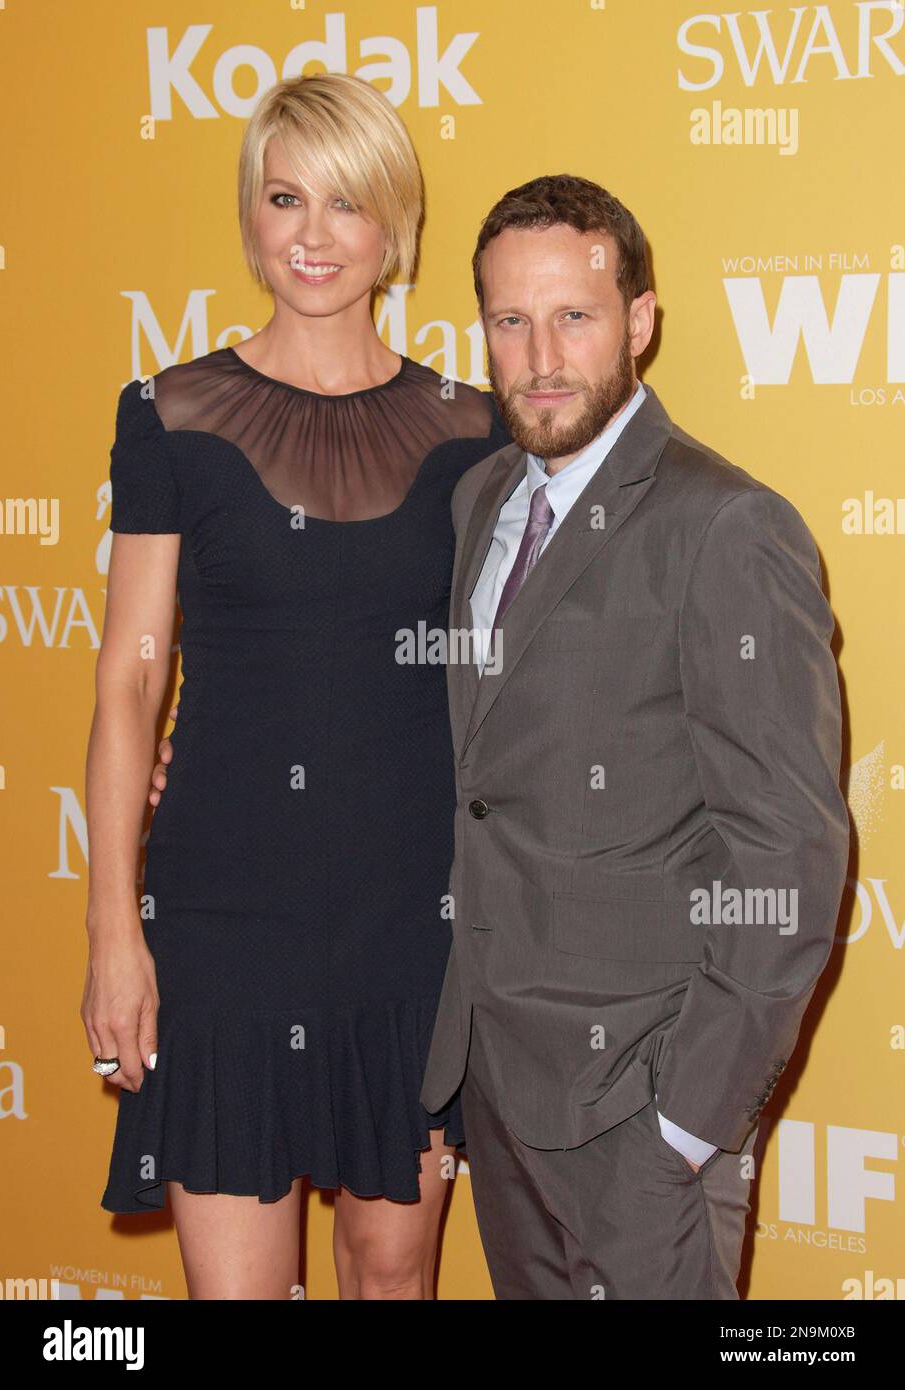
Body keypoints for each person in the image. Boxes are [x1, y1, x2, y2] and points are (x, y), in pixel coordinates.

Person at [81, 72, 506, 1300]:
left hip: (410, 923)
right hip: (225, 922)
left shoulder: (471, 433)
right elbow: (126, 688)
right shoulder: (169, 416)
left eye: (347, 204)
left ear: (395, 228)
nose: (314, 235)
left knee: (392, 1273)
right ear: (251, 217)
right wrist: (115, 932)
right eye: (285, 198)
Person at [419, 173, 850, 1299]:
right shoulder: (479, 504)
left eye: (576, 315)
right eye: (511, 320)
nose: (541, 353)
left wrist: (688, 1125)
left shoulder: (726, 526)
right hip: (503, 1094)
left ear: (641, 322)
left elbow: (791, 857)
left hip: (641, 1110)